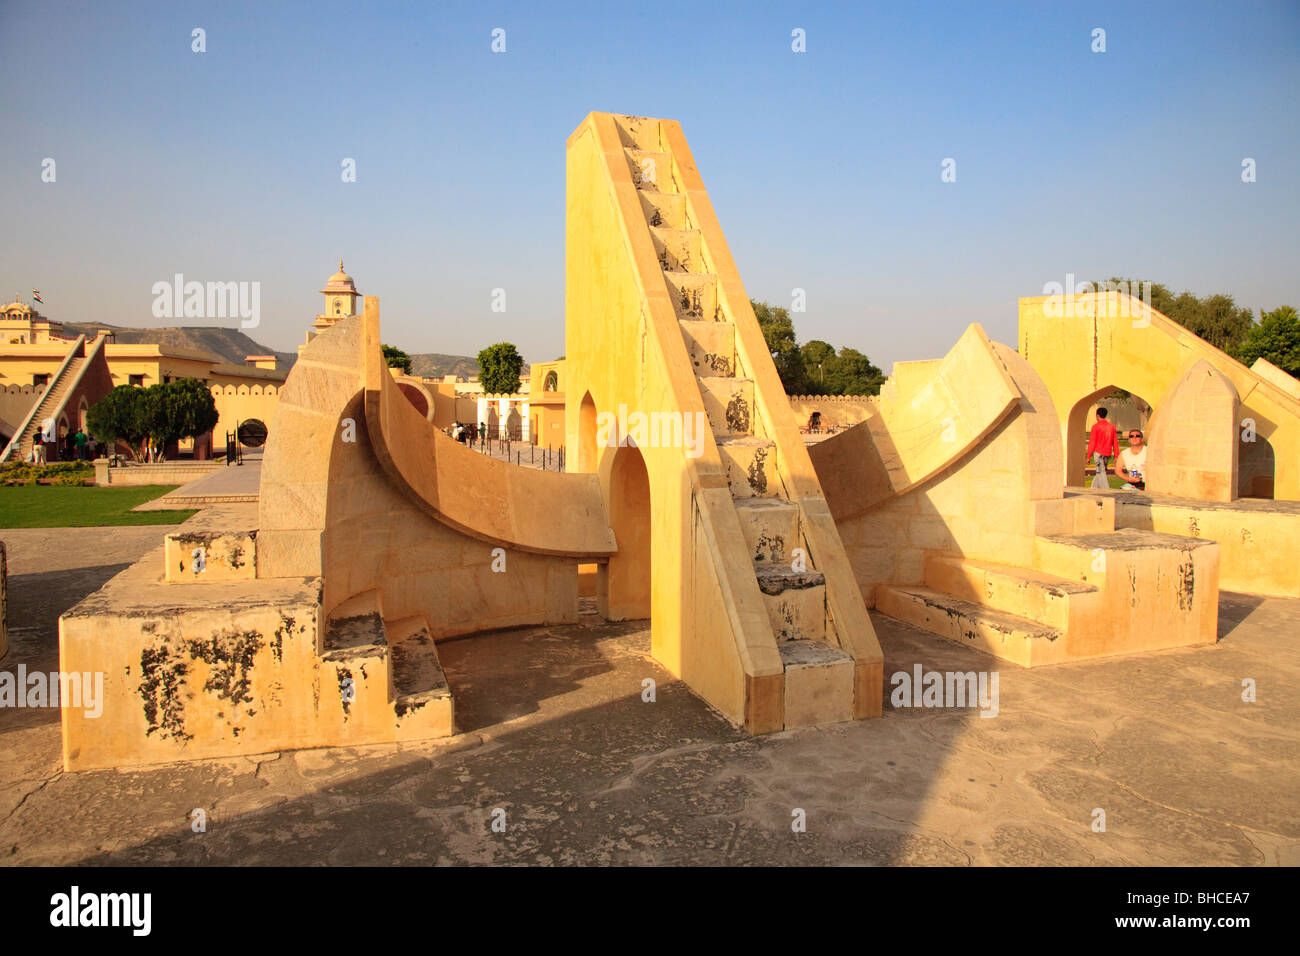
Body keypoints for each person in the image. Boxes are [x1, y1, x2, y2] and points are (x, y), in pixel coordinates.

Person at [1086, 407, 1118, 490]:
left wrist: (1089, 456)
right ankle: (1093, 489)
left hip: (1098, 453)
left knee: (1101, 472)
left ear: (1097, 415)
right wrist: (1116, 456)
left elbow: (1092, 442)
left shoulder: (1096, 427)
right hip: (1107, 454)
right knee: (1100, 472)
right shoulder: (1111, 427)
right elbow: (1115, 443)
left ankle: (1106, 491)